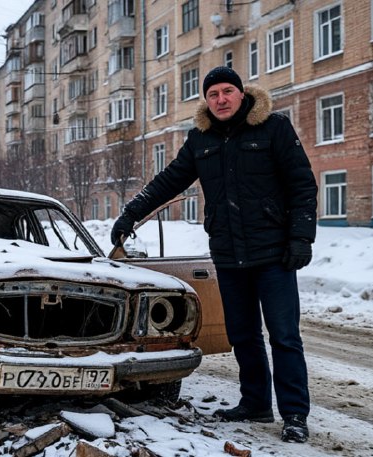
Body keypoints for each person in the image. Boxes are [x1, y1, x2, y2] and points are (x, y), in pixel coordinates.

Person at [111, 66, 317, 443]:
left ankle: (294, 414)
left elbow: (302, 184)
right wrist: (131, 213)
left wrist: (301, 238)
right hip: (228, 254)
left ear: (241, 93)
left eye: (227, 91)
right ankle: (255, 402)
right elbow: (168, 180)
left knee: (284, 336)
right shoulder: (200, 139)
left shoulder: (274, 128)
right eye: (212, 94)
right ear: (205, 101)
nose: (220, 99)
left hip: (273, 254)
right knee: (242, 334)